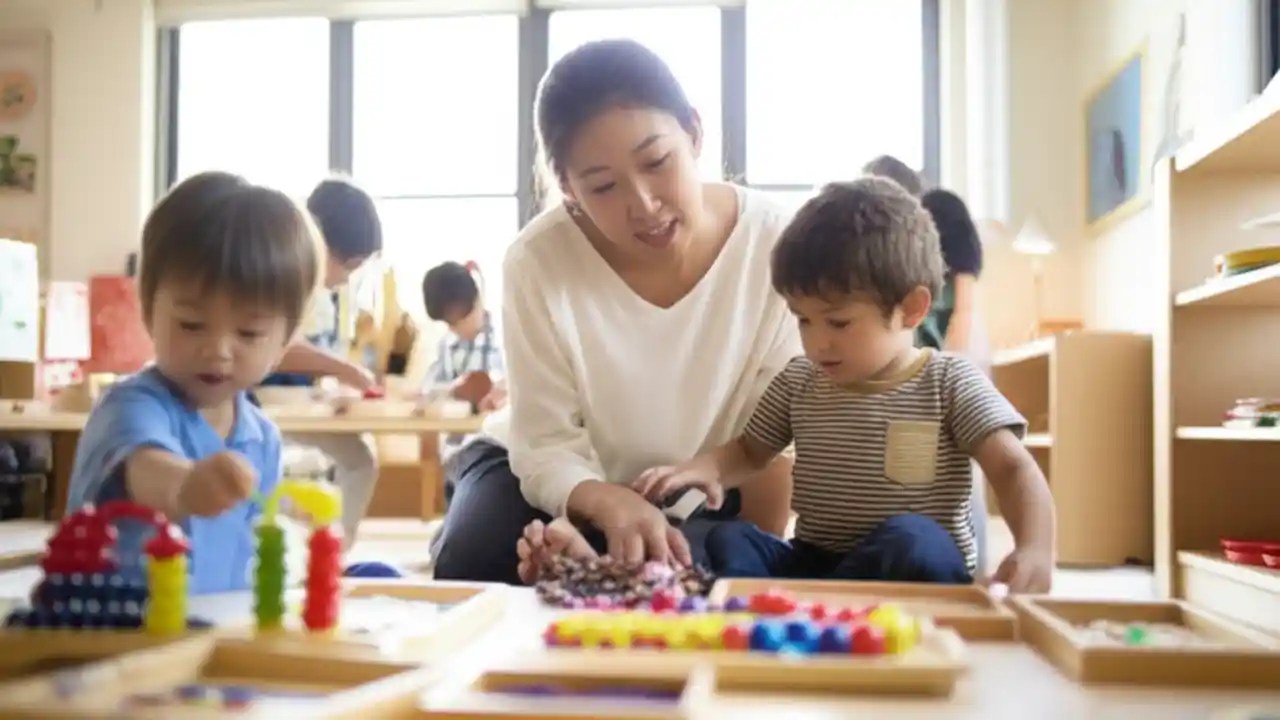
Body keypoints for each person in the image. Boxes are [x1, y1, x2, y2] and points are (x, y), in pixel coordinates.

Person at [431, 38, 800, 585]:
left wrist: (766, 564)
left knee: (695, 577)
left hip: (692, 490)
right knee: (476, 565)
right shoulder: (538, 261)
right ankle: (555, 540)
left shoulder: (776, 244)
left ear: (694, 133)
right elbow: (544, 444)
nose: (643, 204)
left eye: (657, 162)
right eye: (603, 186)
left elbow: (772, 440)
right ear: (568, 187)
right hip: (539, 472)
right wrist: (601, 500)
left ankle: (583, 554)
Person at [628, 178, 1056, 592]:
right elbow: (749, 451)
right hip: (814, 561)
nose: (817, 341)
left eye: (838, 322)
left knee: (915, 540)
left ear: (910, 308)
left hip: (905, 567)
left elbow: (1013, 468)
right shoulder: (799, 381)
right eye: (803, 320)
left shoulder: (949, 382)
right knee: (729, 539)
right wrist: (705, 468)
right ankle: (818, 600)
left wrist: (1035, 548)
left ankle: (821, 602)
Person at [65, 171, 322, 594]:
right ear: (148, 307)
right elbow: (149, 470)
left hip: (216, 634)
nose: (218, 349)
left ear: (283, 341)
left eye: (248, 333)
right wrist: (186, 486)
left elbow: (251, 541)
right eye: (191, 324)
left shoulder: (262, 438)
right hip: (116, 640)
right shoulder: (131, 406)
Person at [260, 176, 384, 545]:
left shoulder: (319, 292)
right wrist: (347, 371)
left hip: (294, 404)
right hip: (258, 403)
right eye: (350, 266)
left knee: (360, 458)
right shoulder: (282, 270)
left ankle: (334, 554)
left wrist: (332, 386)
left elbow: (309, 357)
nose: (346, 279)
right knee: (354, 462)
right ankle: (322, 553)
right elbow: (274, 349)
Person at [420, 260, 506, 411]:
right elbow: (429, 389)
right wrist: (450, 391)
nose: (458, 329)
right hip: (459, 430)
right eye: (450, 323)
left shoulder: (503, 338)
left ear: (478, 299)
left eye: (463, 318)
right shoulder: (448, 344)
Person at [916, 188, 985, 355]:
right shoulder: (918, 270)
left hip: (947, 358)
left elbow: (962, 317)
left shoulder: (961, 273)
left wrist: (947, 365)